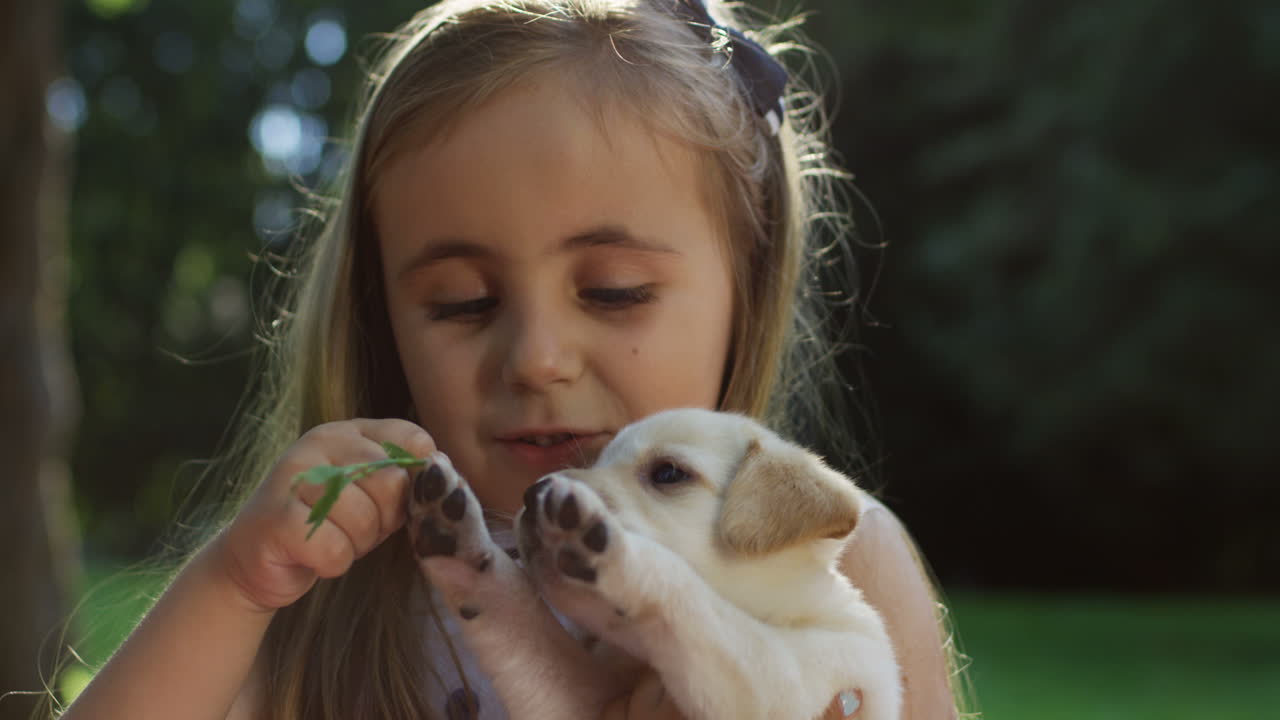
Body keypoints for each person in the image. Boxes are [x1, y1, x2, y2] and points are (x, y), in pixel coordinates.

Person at [59, 0, 970, 718]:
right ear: (384, 324)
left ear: (749, 281)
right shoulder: (339, 600)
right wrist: (236, 586)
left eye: (613, 291)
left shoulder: (831, 555)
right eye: (463, 303)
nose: (536, 359)